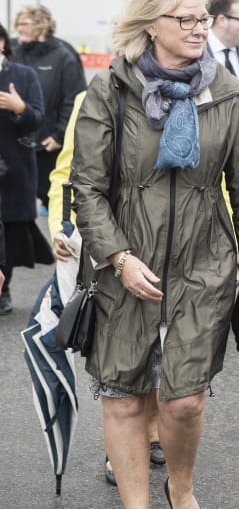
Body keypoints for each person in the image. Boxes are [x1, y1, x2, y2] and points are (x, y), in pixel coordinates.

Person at [72, 0, 239, 509]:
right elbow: (86, 188)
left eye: (202, 17)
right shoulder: (111, 90)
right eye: (185, 19)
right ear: (151, 26)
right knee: (124, 399)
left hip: (205, 265)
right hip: (125, 267)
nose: (199, 27)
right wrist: (118, 257)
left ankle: (180, 488)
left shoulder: (227, 93)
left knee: (183, 402)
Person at [49, 90, 167, 485]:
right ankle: (122, 447)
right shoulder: (95, 97)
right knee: (121, 352)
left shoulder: (189, 94)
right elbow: (68, 174)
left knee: (162, 348)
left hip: (173, 243)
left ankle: (152, 429)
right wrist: (61, 227)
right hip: (111, 241)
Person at [13, 4, 87, 208]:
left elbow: (74, 99)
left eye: (25, 23)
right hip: (17, 140)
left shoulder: (64, 55)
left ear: (42, 25)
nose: (19, 28)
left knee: (50, 198)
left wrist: (59, 136)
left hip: (48, 144)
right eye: (18, 24)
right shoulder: (15, 52)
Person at [0, 22, 49, 316]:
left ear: (3, 43)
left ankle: (4, 289)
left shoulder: (24, 75)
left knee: (10, 230)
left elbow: (38, 118)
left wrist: (20, 108)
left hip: (15, 167)